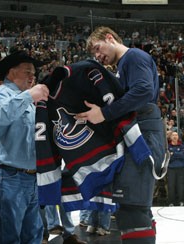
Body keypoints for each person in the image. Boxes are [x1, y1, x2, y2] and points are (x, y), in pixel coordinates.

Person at [76, 26, 166, 244]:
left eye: (98, 48)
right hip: (140, 131)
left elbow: (143, 91)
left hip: (142, 132)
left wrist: (105, 113)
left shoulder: (133, 56)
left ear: (110, 38)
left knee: (132, 208)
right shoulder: (123, 64)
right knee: (136, 208)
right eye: (93, 54)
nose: (97, 56)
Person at [0, 50, 49, 244]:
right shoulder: (1, 93)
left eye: (34, 73)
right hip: (7, 175)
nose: (32, 76)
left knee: (33, 234)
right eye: (27, 71)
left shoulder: (27, 98)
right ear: (11, 72)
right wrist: (29, 96)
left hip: (30, 176)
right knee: (8, 236)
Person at [167, 131, 184, 206]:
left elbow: (182, 156)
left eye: (176, 135)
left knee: (180, 185)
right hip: (171, 168)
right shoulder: (168, 146)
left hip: (180, 168)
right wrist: (177, 154)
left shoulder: (182, 146)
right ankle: (171, 202)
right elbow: (168, 158)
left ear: (178, 137)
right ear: (170, 137)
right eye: (173, 135)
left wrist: (173, 153)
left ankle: (181, 201)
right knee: (171, 185)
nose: (175, 136)